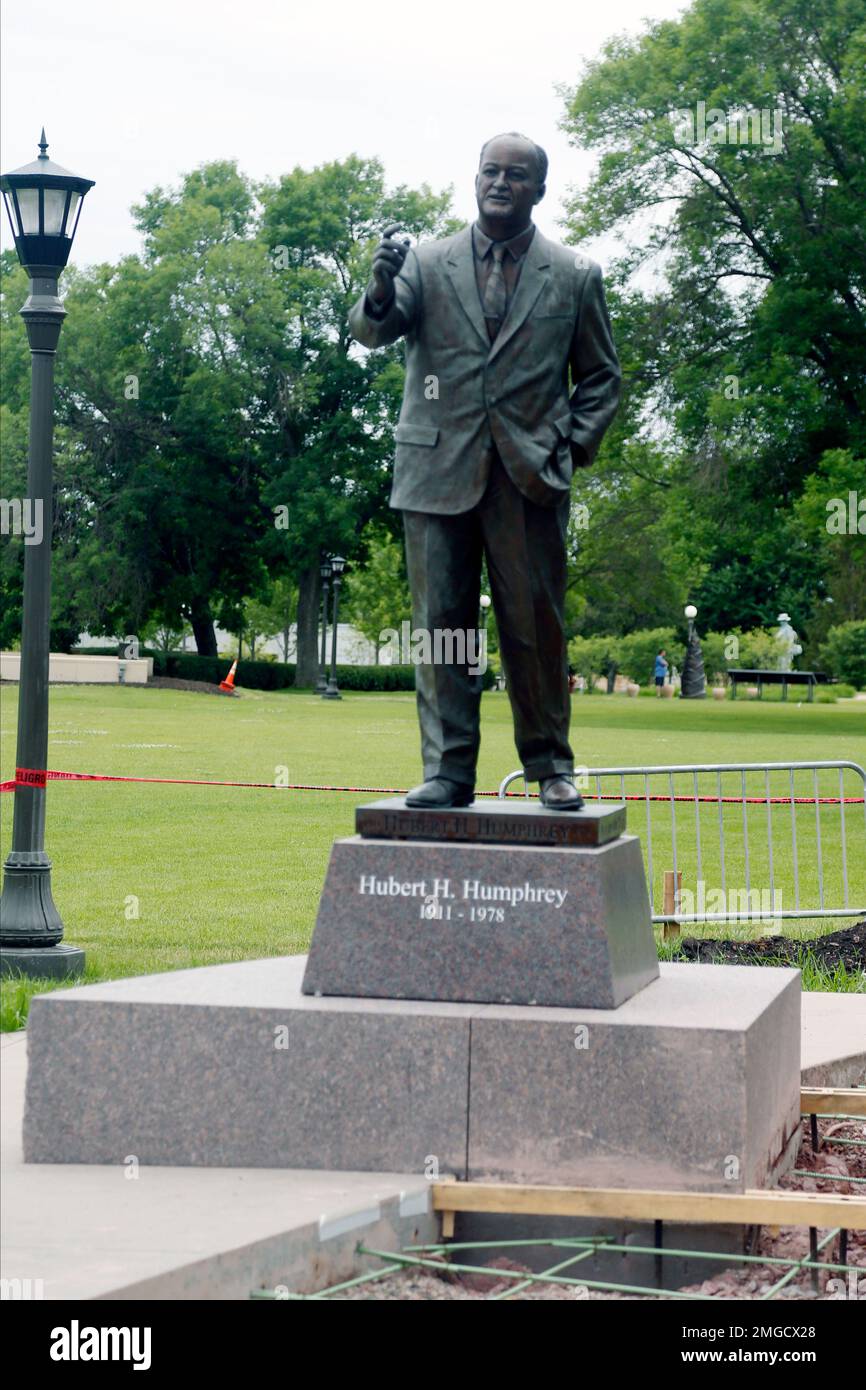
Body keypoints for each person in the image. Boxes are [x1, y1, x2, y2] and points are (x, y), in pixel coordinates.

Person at [348, 132, 621, 810]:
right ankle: (447, 771)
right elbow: (372, 332)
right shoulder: (425, 264)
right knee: (444, 626)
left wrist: (570, 448)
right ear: (474, 180)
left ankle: (551, 766)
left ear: (540, 189)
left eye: (516, 175)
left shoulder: (575, 275)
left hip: (529, 477)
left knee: (535, 627)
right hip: (436, 471)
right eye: (490, 172)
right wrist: (378, 289)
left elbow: (601, 379)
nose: (501, 183)